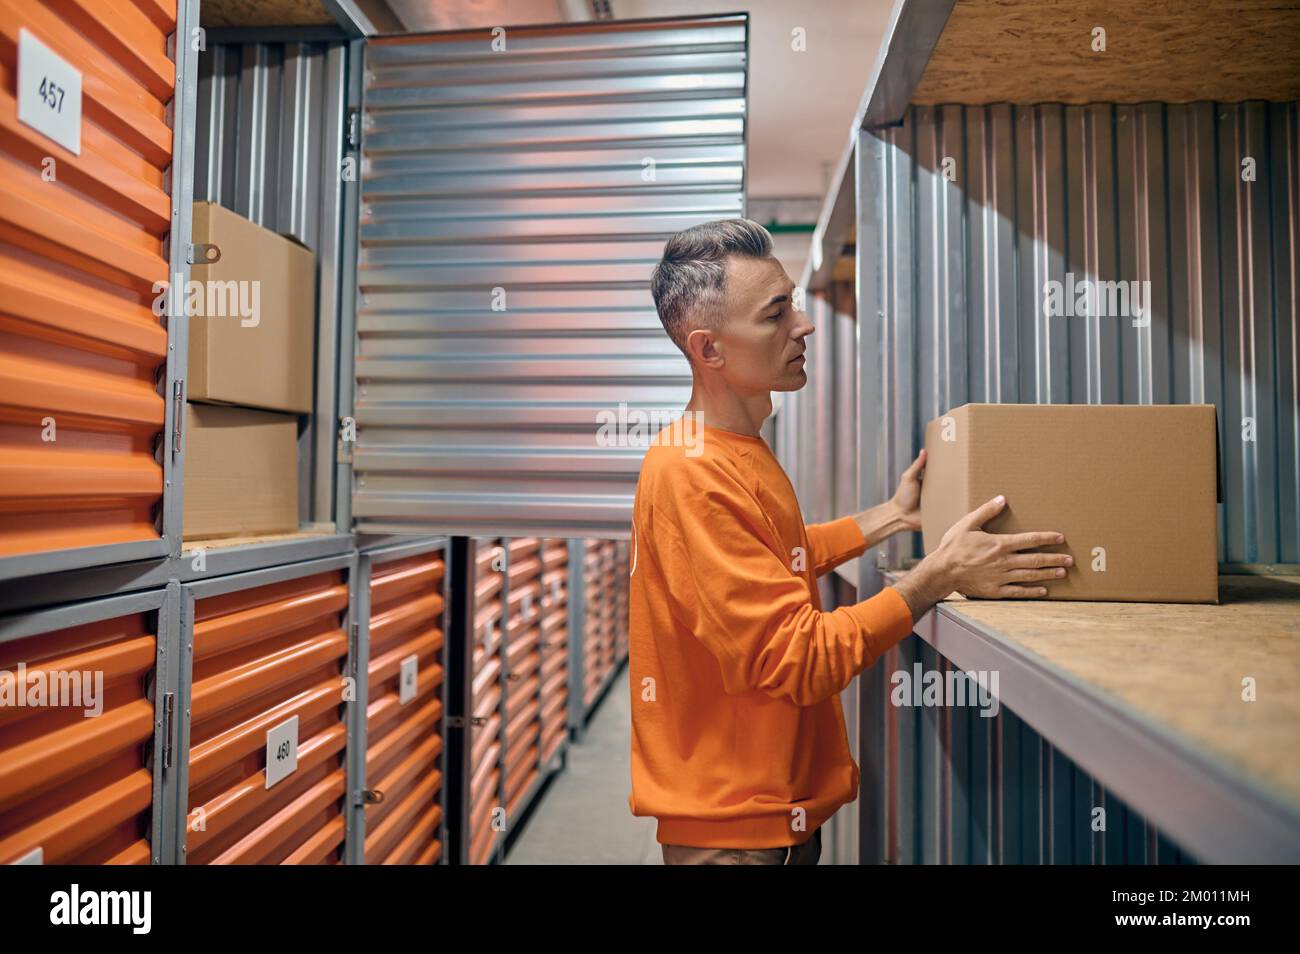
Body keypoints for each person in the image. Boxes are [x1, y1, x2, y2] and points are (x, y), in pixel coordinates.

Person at [628, 219, 1072, 866]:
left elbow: (775, 555)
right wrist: (936, 577)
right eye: (776, 314)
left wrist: (892, 516)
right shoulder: (690, 472)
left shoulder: (733, 451)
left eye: (794, 306)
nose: (803, 327)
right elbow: (802, 660)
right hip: (732, 832)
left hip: (774, 810)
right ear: (710, 350)